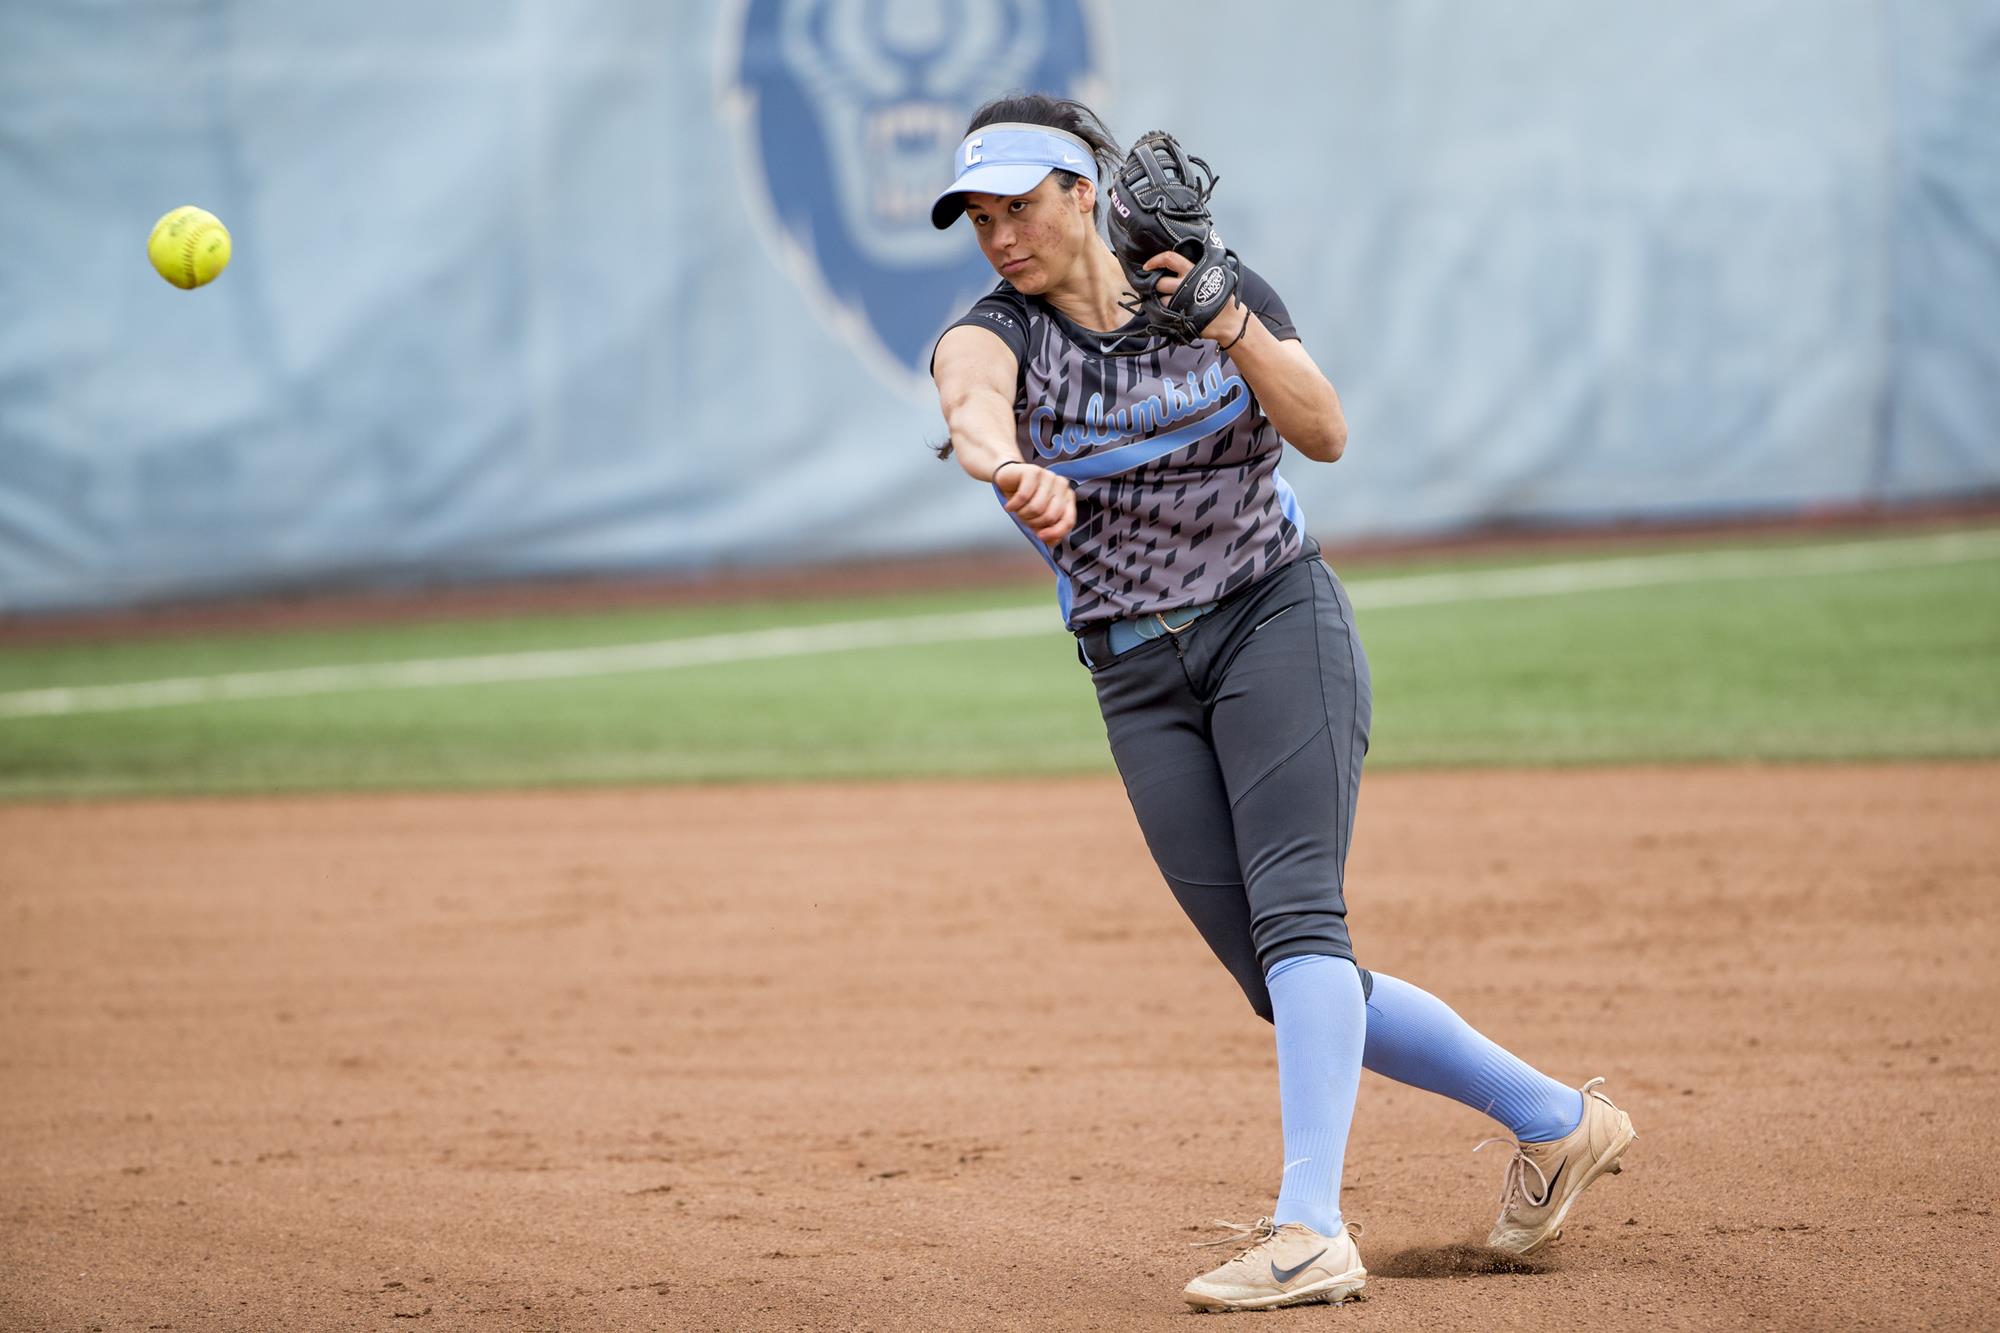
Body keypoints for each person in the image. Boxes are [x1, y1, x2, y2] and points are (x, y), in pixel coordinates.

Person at [927, 92, 1637, 1313]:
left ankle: (1308, 1227)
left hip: (1274, 617)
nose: (999, 238)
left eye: (1019, 208)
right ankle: (1556, 1121)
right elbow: (970, 403)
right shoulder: (998, 333)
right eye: (978, 219)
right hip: (1136, 674)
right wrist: (1006, 466)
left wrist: (1226, 313)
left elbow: (1325, 430)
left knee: (1302, 915)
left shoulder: (1204, 281)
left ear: (1080, 195)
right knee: (1284, 978)